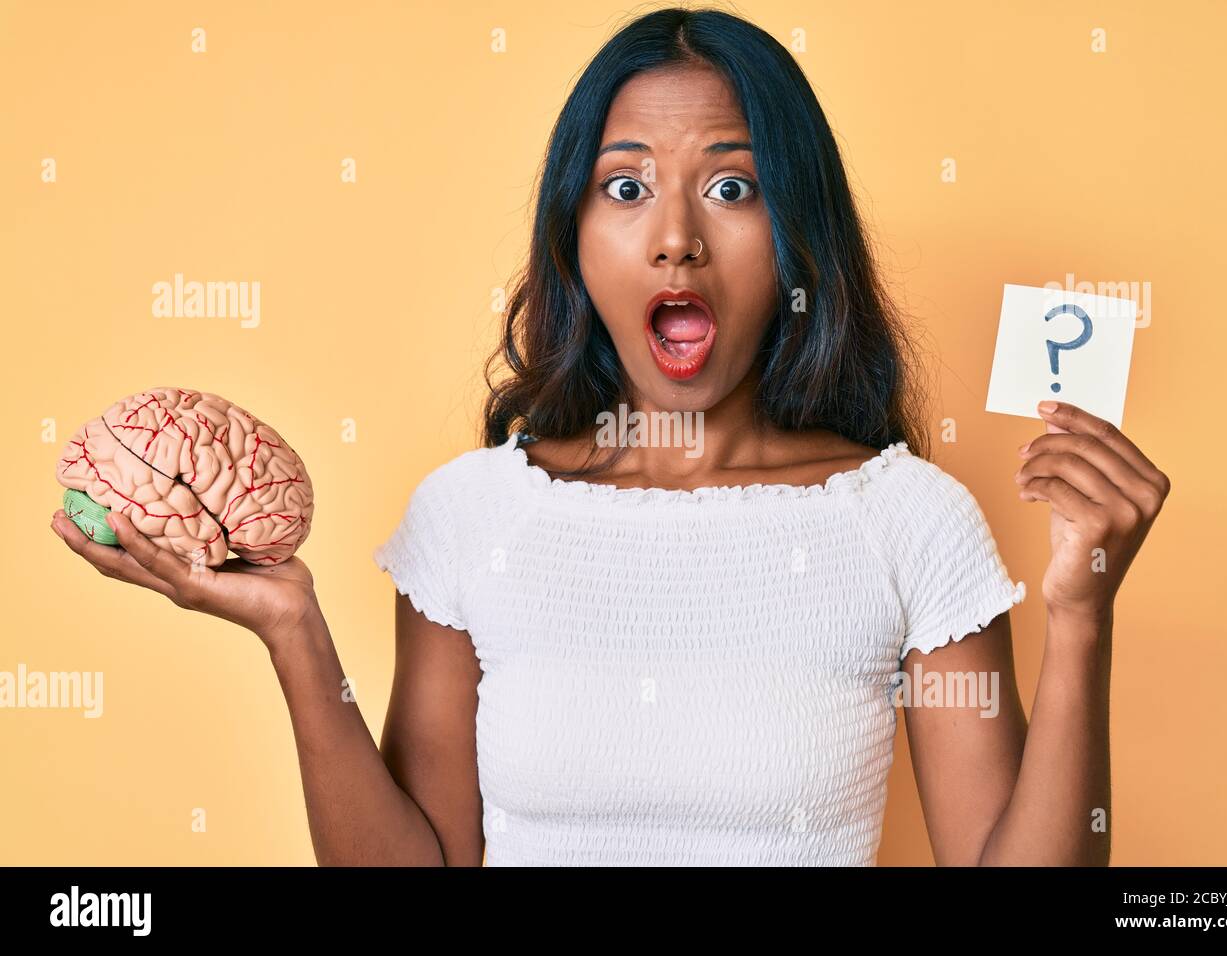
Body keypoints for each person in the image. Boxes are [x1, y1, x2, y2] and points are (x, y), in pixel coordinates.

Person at [50, 7, 1169, 866]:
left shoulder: (909, 519)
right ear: (573, 237)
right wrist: (294, 634)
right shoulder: (472, 515)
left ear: (797, 237)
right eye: (624, 186)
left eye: (732, 185)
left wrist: (1080, 619)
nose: (676, 238)